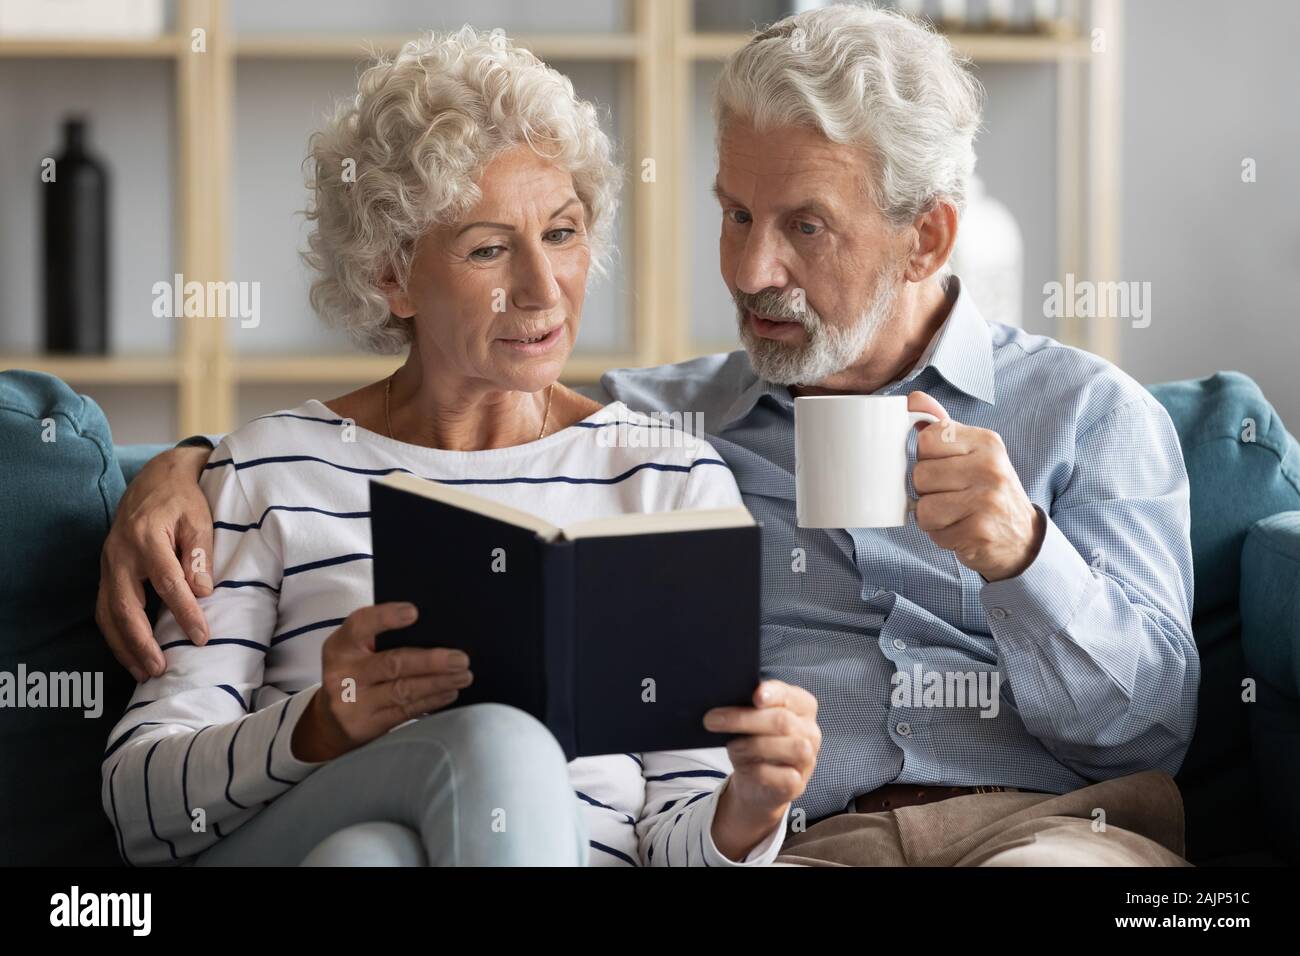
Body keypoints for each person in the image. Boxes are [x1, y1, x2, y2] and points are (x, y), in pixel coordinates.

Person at [101, 5, 1197, 866]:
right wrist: (176, 465)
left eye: (803, 226)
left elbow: (1153, 732)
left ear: (928, 238)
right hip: (821, 847)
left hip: (1052, 829)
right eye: (733, 213)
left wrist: (1024, 558)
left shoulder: (1085, 418)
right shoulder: (673, 427)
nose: (747, 270)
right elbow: (454, 418)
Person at [99, 26, 820, 867]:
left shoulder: (666, 477)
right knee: (492, 752)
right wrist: (317, 725)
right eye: (488, 249)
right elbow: (139, 805)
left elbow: (678, 840)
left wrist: (750, 808)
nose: (543, 289)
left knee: (368, 859)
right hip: (290, 832)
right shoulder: (269, 473)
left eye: (563, 233)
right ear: (390, 276)